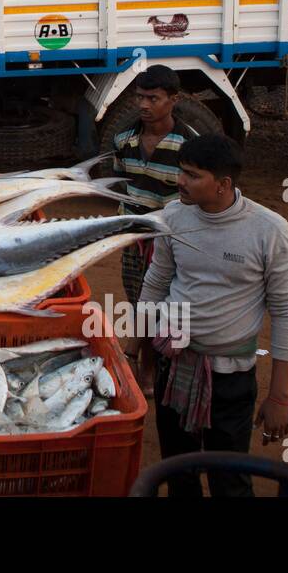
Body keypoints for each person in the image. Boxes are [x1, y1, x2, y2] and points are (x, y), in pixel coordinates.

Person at [138, 135, 288, 497]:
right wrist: (139, 349)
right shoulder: (172, 217)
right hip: (174, 365)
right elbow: (156, 283)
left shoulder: (270, 231)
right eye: (181, 171)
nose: (180, 181)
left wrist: (279, 397)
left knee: (229, 479)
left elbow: (286, 313)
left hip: (231, 379)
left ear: (224, 184)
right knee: (179, 474)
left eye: (192, 175)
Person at [111, 64, 202, 396]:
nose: (144, 105)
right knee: (140, 302)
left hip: (171, 240)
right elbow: (122, 184)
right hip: (134, 238)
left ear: (173, 99)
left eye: (153, 98)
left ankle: (150, 368)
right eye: (140, 97)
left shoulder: (189, 145)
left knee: (165, 304)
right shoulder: (124, 139)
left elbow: (196, 199)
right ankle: (146, 368)